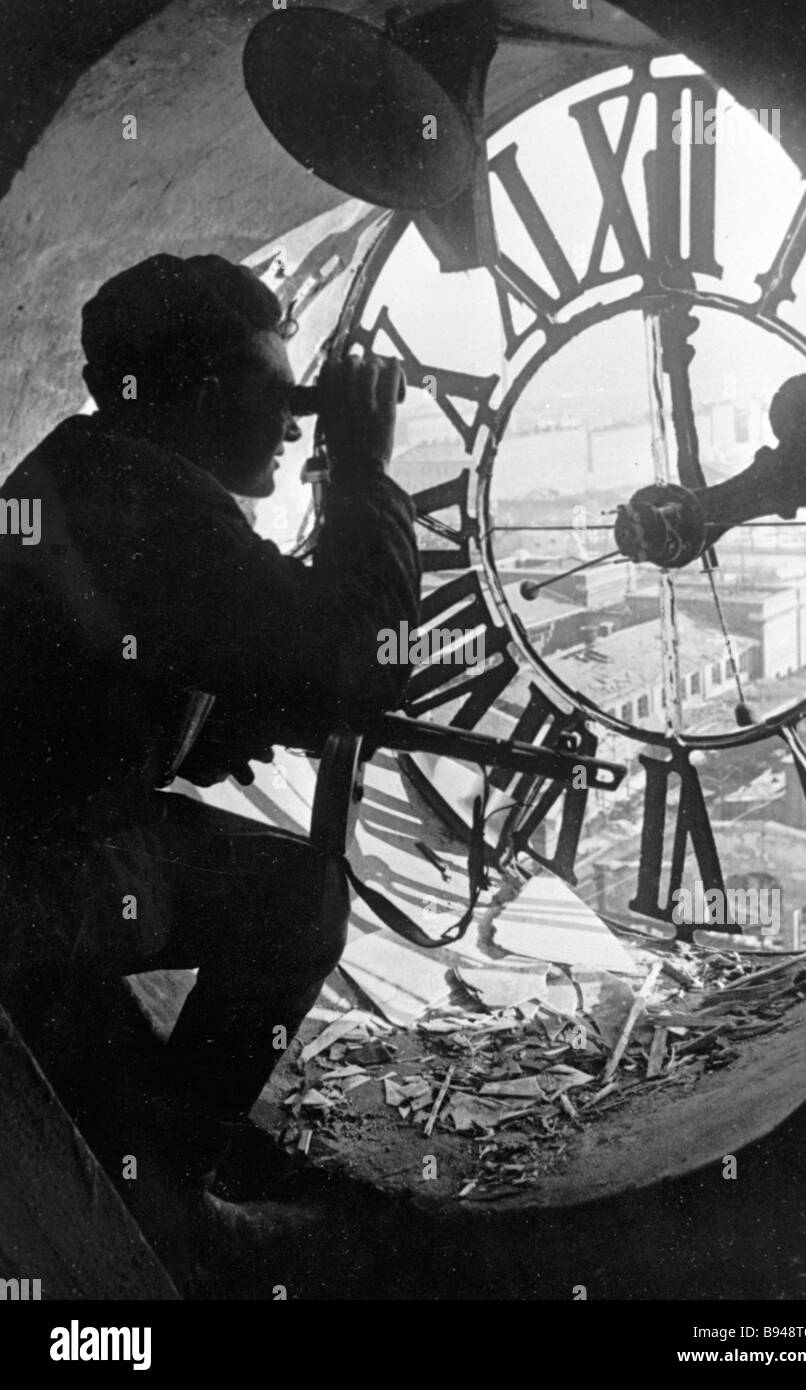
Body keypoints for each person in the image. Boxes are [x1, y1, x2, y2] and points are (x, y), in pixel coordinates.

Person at [0, 253, 420, 1278]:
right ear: (200, 391)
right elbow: (358, 661)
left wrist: (209, 719)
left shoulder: (87, 467)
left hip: (33, 826)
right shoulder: (154, 500)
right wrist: (360, 468)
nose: (290, 424)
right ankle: (168, 1204)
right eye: (276, 395)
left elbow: (119, 661)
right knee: (297, 898)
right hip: (28, 872)